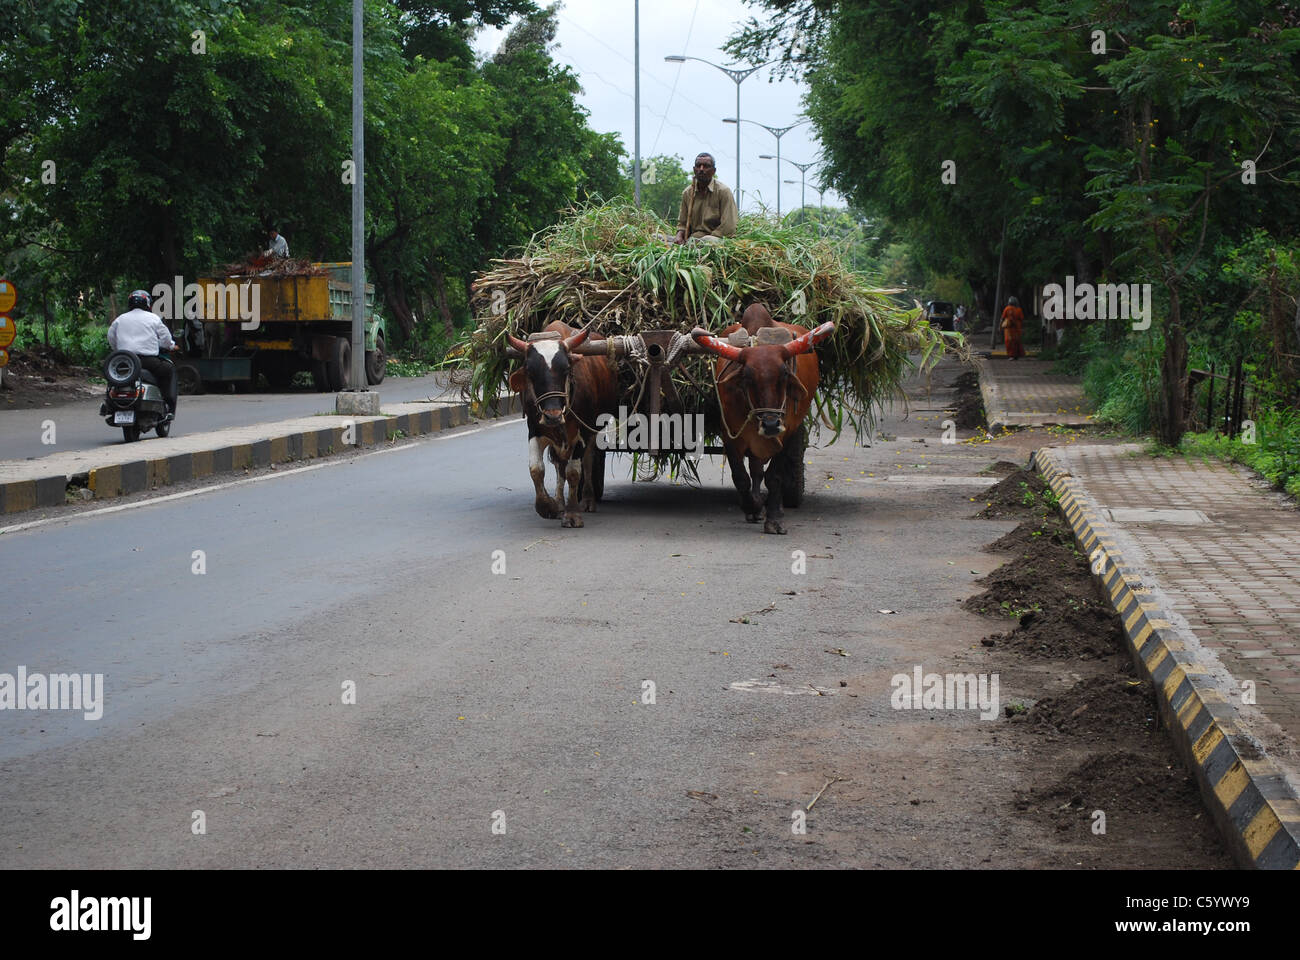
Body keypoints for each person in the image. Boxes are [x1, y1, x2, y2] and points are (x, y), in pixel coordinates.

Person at [108, 290, 180, 416]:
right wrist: (171, 346)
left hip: (123, 361)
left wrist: (119, 351)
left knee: (113, 377)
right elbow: (166, 339)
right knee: (169, 369)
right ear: (148, 303)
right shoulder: (153, 318)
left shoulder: (119, 319)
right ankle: (168, 406)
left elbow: (111, 338)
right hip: (148, 362)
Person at [674, 153, 738, 244]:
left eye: (706, 166)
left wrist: (703, 239)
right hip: (692, 239)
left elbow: (728, 227)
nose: (701, 169)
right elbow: (682, 224)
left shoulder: (723, 192)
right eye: (698, 166)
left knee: (706, 240)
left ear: (713, 171)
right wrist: (679, 235)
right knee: (658, 238)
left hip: (716, 239)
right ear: (694, 169)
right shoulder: (688, 193)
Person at [1000, 296, 1025, 360]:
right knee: (1017, 342)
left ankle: (1011, 356)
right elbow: (1022, 319)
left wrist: (1000, 326)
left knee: (1009, 343)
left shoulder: (1007, 309)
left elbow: (1002, 318)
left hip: (1008, 330)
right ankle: (1017, 355)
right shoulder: (1019, 309)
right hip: (1017, 329)